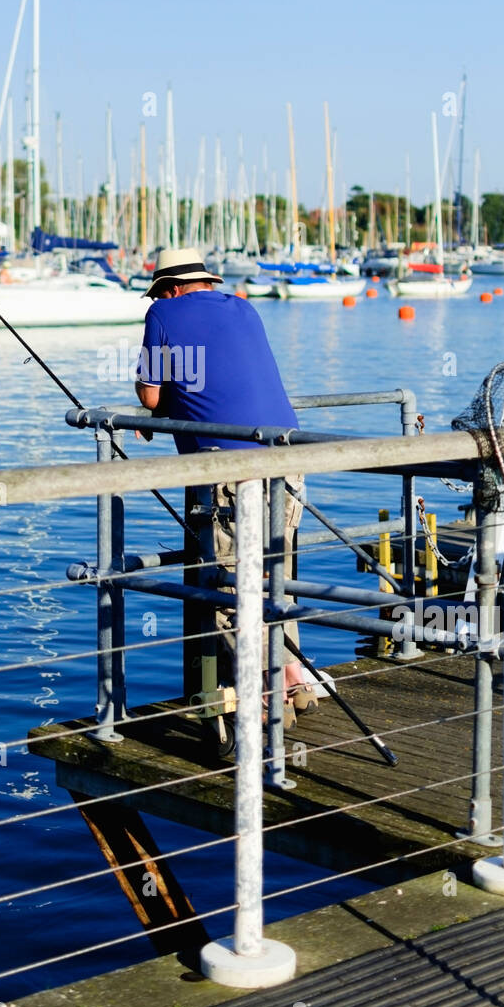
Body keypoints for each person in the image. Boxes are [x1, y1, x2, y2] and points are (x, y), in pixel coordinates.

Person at [134, 246, 317, 723]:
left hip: (231, 472)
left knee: (228, 586)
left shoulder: (162, 312)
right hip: (290, 457)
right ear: (206, 282)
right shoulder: (244, 306)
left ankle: (260, 699)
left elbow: (151, 393)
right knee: (274, 574)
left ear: (168, 288)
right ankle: (293, 674)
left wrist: (158, 410)